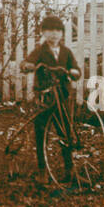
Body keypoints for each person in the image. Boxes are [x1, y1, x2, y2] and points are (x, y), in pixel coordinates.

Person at [21, 14, 82, 182]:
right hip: (44, 98)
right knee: (41, 133)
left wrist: (74, 72)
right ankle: (42, 171)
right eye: (49, 31)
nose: (54, 34)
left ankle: (69, 170)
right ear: (43, 33)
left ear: (62, 33)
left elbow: (76, 69)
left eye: (57, 31)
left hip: (61, 98)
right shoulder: (40, 51)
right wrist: (29, 66)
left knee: (66, 133)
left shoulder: (66, 52)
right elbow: (26, 63)